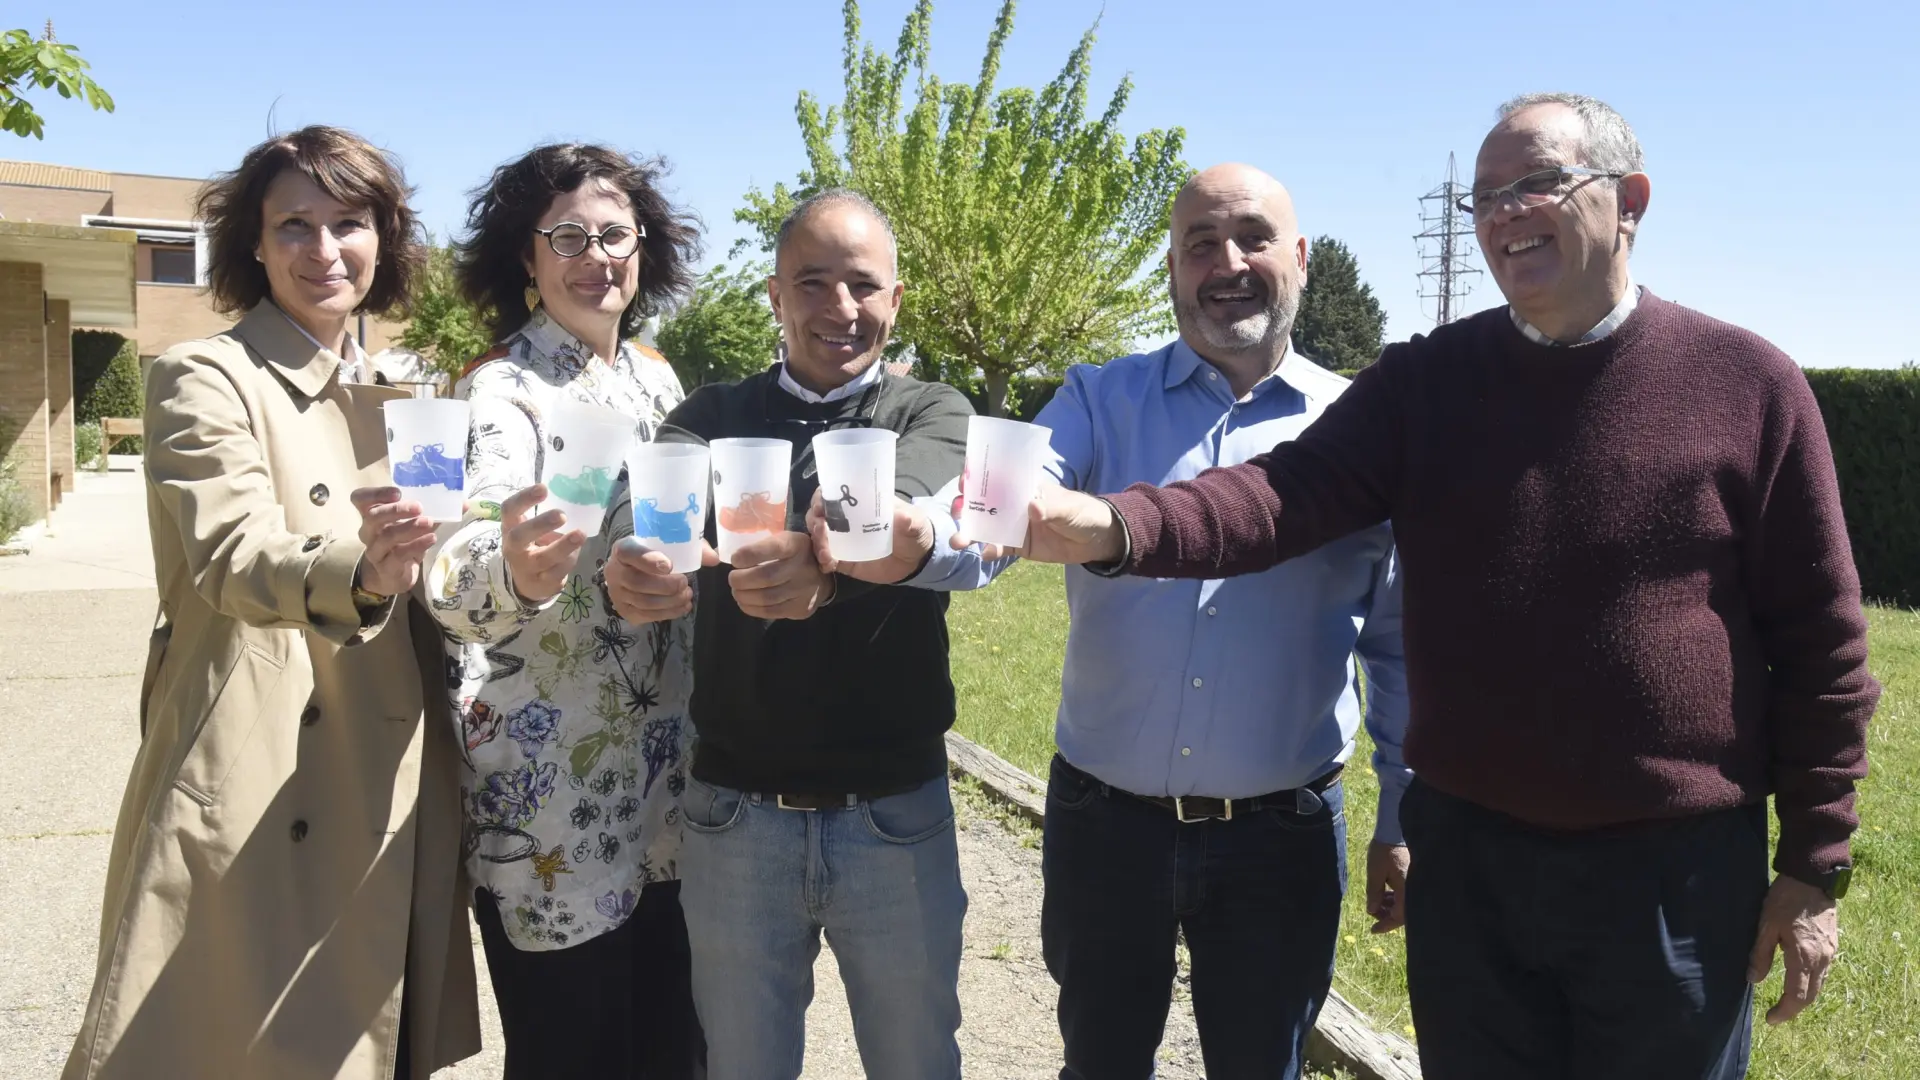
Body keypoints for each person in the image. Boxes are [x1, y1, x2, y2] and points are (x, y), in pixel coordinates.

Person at [995, 93, 1878, 1080]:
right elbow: (1277, 497)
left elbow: (1824, 650)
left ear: (1629, 200)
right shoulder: (1426, 386)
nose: (1503, 213)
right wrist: (1118, 525)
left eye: (1536, 183)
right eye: (1485, 196)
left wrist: (1813, 866)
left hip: (1670, 878)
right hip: (1473, 874)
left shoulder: (1747, 384)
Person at [814, 164, 1409, 1080]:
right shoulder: (1099, 398)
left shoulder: (1360, 429)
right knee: (1098, 1062)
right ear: (1171, 267)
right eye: (1199, 244)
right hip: (1107, 828)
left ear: (1300, 256)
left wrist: (1399, 811)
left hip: (1280, 838)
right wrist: (920, 535)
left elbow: (1397, 647)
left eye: (1252, 237)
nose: (1227, 262)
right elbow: (1003, 502)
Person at [64, 126, 478, 1080]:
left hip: (394, 773)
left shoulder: (400, 396)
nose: (324, 250)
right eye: (295, 224)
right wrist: (364, 571)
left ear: (386, 238)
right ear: (253, 243)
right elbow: (231, 555)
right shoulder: (205, 375)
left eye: (350, 222)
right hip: (263, 766)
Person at [604, 188, 974, 1080]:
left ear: (895, 299)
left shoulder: (929, 412)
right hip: (734, 819)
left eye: (862, 284)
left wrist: (828, 572)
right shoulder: (712, 412)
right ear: (775, 295)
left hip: (894, 816)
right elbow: (641, 500)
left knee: (918, 1061)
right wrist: (630, 559)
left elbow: (900, 515)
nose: (840, 308)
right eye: (813, 282)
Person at [423, 143, 705, 1078]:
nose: (598, 255)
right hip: (549, 799)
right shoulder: (502, 391)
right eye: (569, 236)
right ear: (527, 258)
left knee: (675, 1048)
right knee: (569, 1056)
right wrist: (516, 566)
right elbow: (457, 561)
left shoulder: (659, 383)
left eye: (616, 234)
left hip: (667, 784)